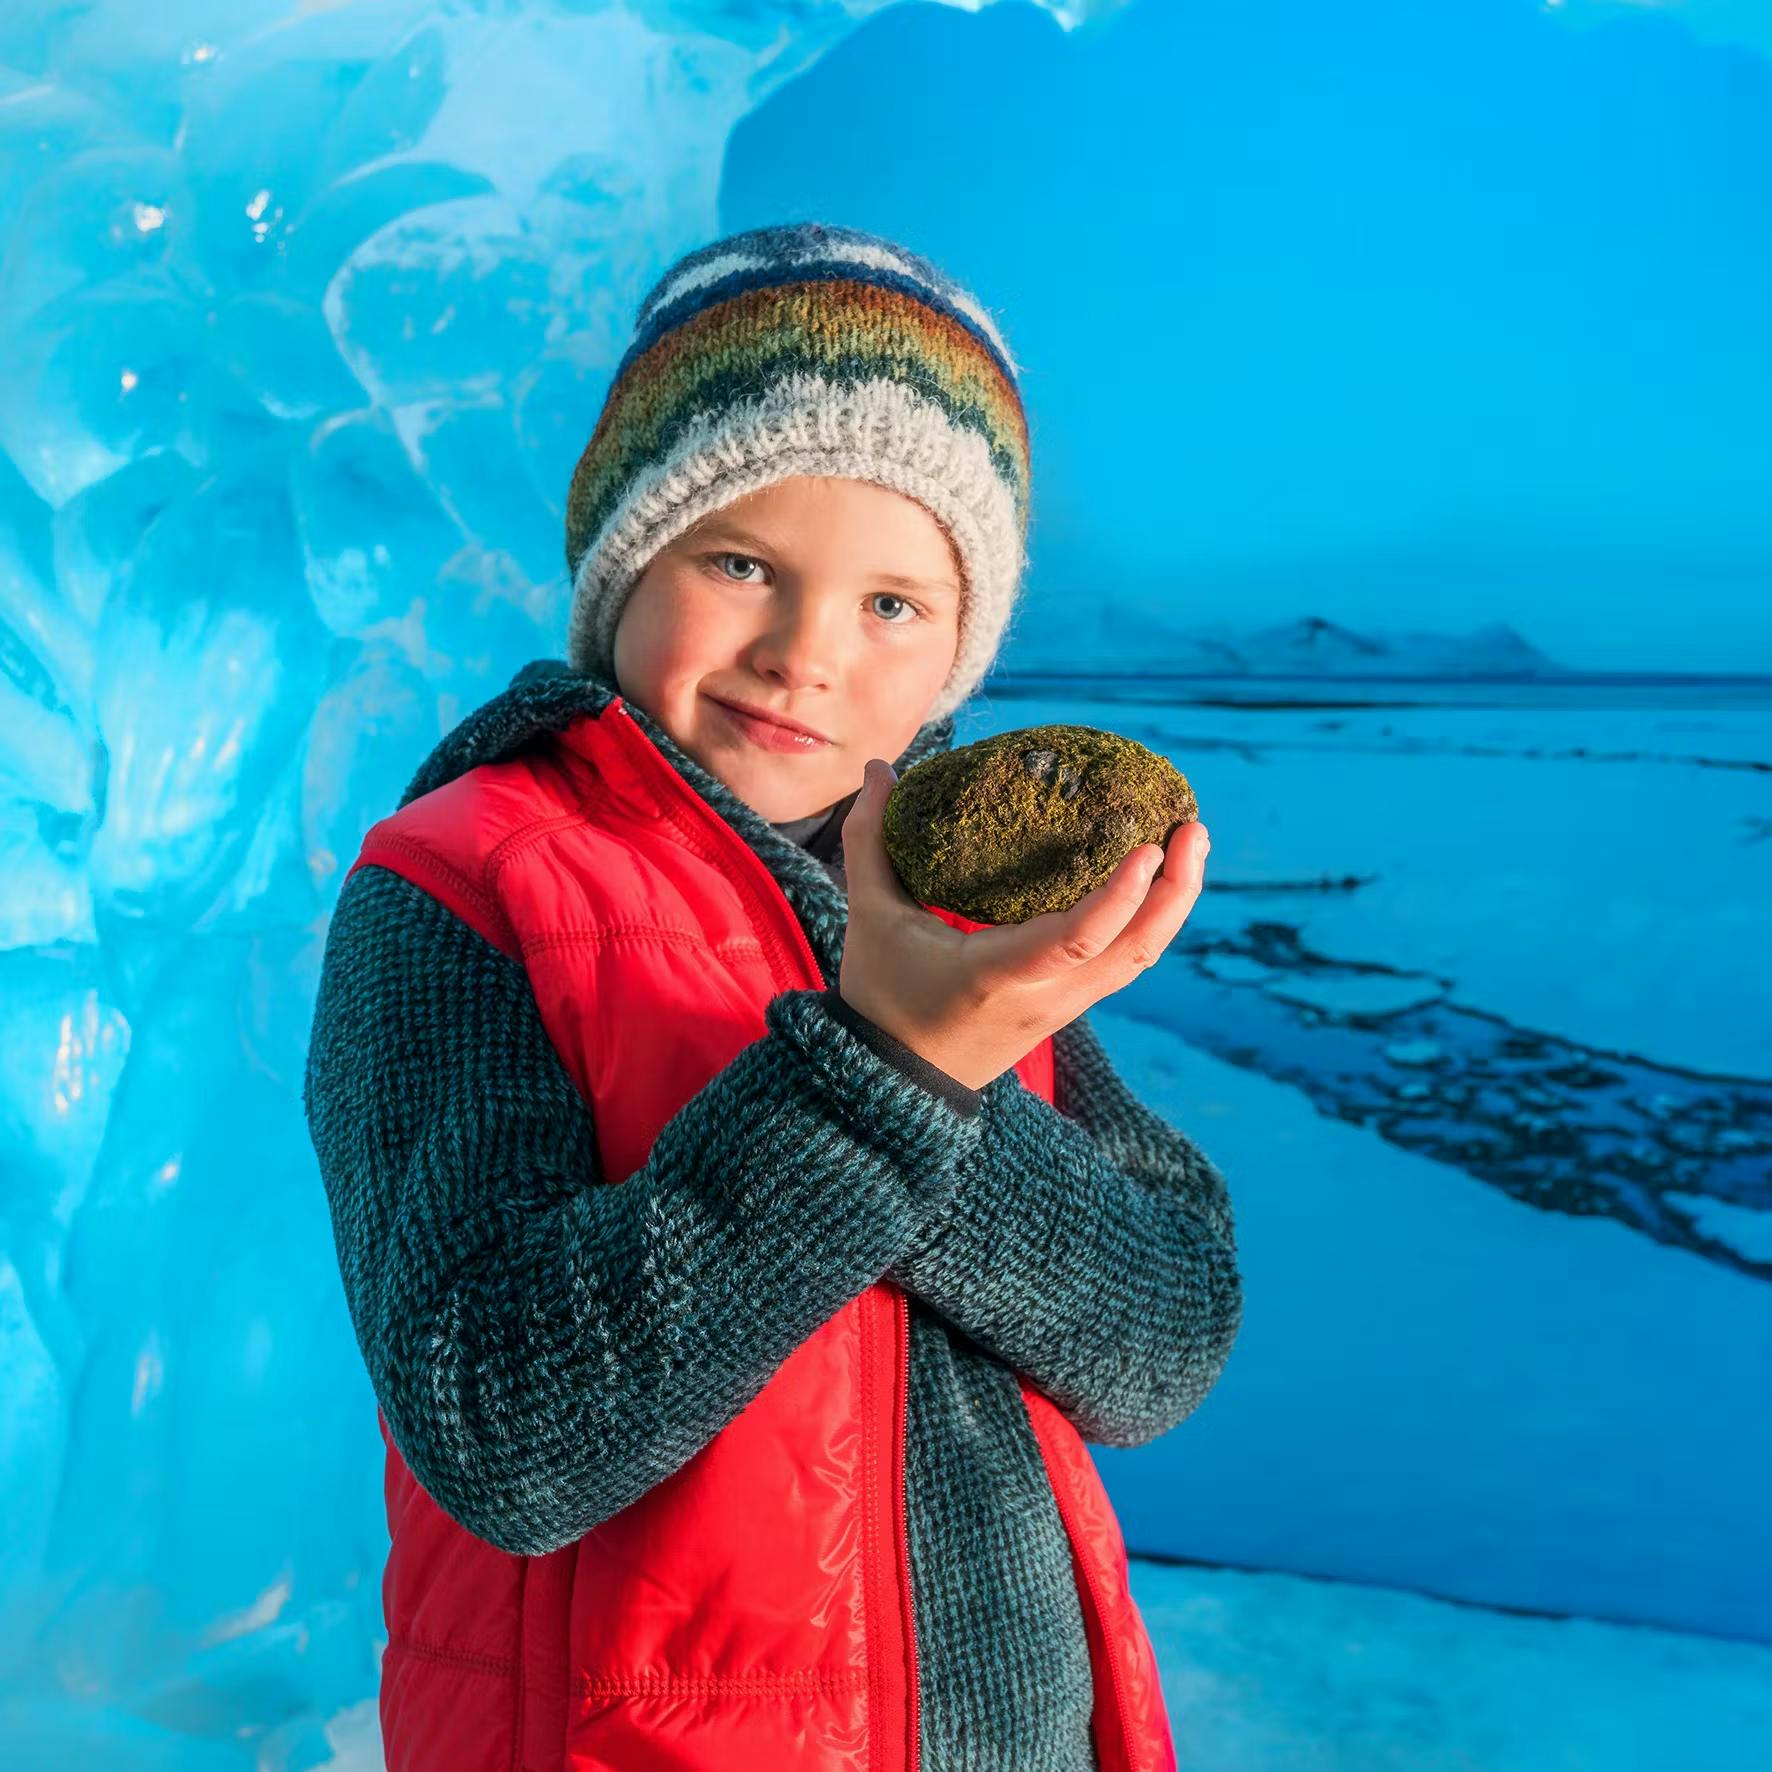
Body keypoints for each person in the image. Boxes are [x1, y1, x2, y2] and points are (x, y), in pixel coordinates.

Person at [303, 220, 1241, 1772]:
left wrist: (937, 1059)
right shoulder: (469, 887)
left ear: (958, 652)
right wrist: (892, 1071)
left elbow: (1165, 1346)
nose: (807, 654)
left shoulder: (961, 920)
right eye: (741, 564)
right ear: (624, 566)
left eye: (893, 605)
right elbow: (502, 1431)